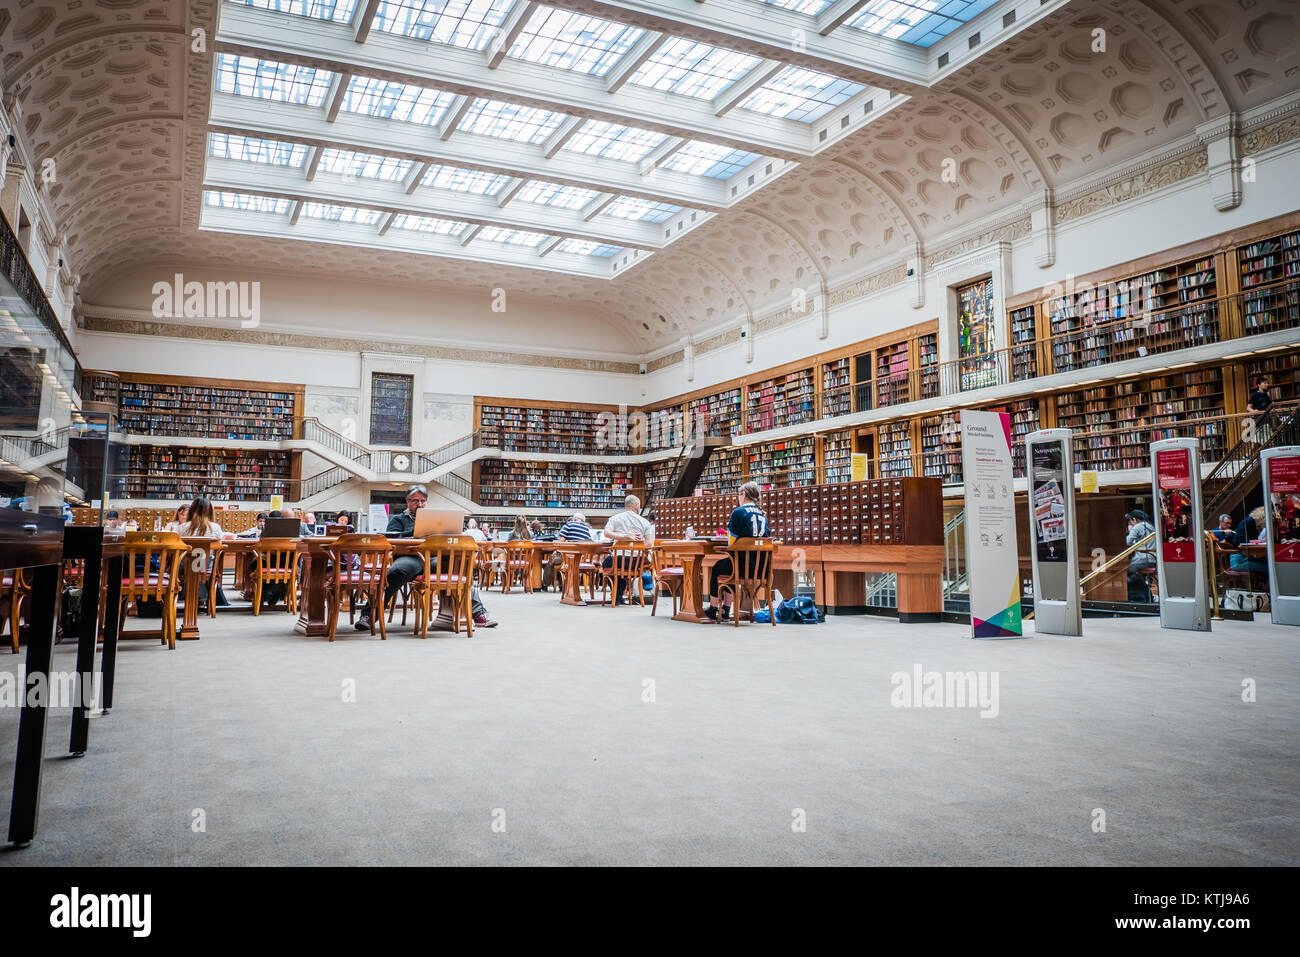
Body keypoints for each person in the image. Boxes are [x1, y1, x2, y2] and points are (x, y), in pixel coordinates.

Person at [354, 486, 497, 630]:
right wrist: (418, 531)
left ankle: (479, 613)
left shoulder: (436, 520)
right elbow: (391, 538)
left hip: (435, 558)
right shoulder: (398, 519)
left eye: (423, 501)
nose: (420, 504)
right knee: (394, 573)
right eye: (415, 501)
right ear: (407, 501)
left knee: (459, 569)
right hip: (409, 558)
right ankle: (369, 615)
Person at [705, 482, 771, 621]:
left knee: (718, 567)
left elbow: (731, 542)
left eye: (738, 495)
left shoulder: (738, 512)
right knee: (729, 565)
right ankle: (726, 610)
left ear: (744, 494)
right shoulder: (763, 515)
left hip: (741, 567)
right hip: (761, 569)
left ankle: (713, 608)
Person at [173, 496, 230, 608]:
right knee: (206, 560)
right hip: (205, 566)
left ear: (192, 510)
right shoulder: (215, 528)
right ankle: (202, 598)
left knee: (184, 560)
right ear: (210, 512)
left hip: (186, 566)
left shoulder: (182, 527)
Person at [600, 495, 654, 605]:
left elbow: (607, 533)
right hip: (636, 562)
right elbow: (649, 544)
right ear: (636, 505)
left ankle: (617, 594)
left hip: (618, 559)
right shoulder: (644, 522)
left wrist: (623, 537)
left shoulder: (615, 518)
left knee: (607, 564)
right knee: (621, 570)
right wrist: (638, 541)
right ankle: (619, 595)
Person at [1125, 509, 1156, 603]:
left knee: (1126, 573)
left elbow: (1127, 542)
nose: (1130, 523)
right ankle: (1148, 595)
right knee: (1133, 574)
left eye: (1130, 521)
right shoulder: (1150, 526)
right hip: (1153, 559)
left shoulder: (1137, 526)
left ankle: (1141, 597)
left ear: (1134, 519)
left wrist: (1130, 531)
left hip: (1142, 559)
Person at [1229, 506, 1268, 576]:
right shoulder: (1249, 522)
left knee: (1267, 563)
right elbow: (1240, 541)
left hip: (1242, 558)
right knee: (1268, 567)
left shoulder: (1251, 522)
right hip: (1239, 561)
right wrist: (1261, 541)